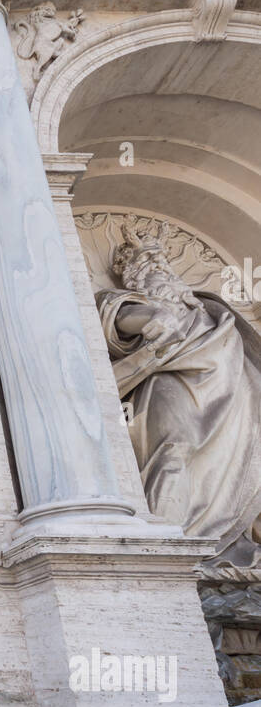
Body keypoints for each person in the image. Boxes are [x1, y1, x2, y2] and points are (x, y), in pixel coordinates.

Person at [97, 229, 261, 564]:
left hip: (230, 400)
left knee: (236, 465)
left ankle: (219, 535)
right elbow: (117, 318)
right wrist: (153, 317)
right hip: (168, 385)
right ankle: (163, 547)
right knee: (175, 449)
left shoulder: (212, 312)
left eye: (165, 269)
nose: (163, 274)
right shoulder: (133, 304)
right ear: (138, 282)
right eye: (152, 271)